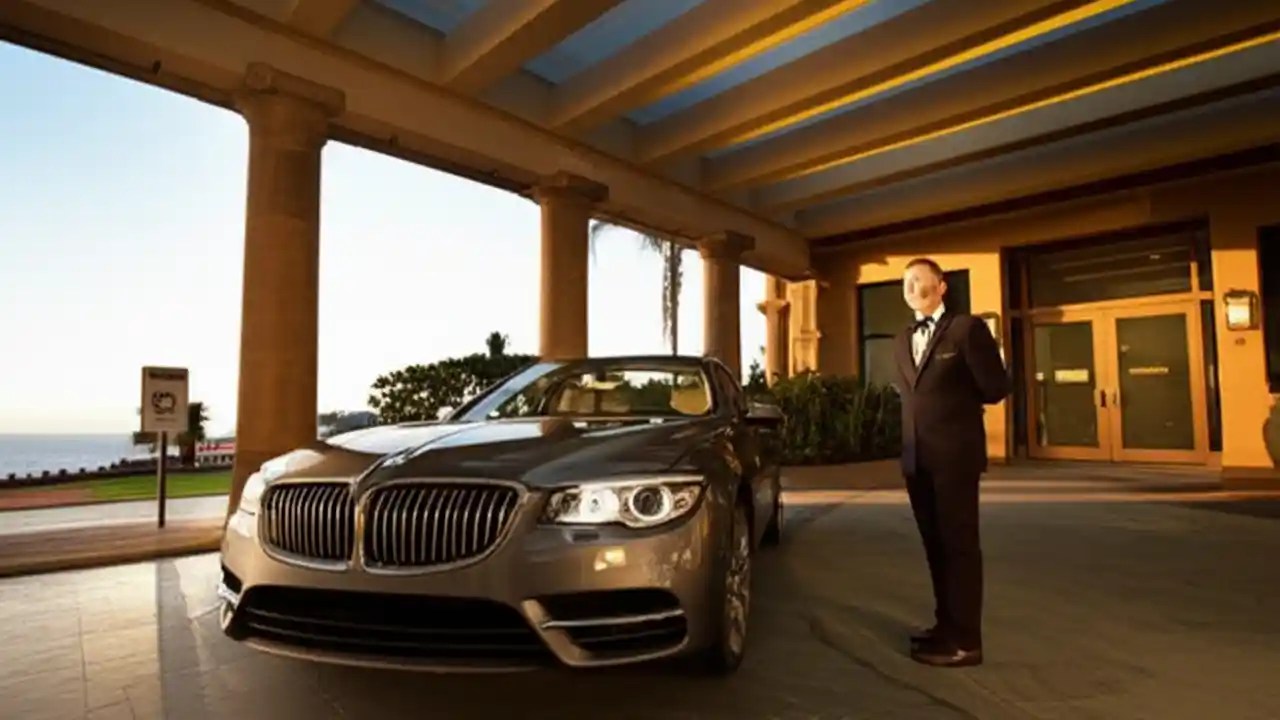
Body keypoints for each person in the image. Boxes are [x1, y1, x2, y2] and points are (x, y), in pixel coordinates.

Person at [892, 257, 1009, 668]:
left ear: (941, 286)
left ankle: (966, 641)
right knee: (934, 547)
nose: (911, 286)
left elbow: (996, 386)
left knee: (959, 548)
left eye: (919, 278)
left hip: (955, 459)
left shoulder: (966, 329)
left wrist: (959, 405)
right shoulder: (901, 337)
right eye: (906, 280)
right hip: (916, 460)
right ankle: (945, 627)